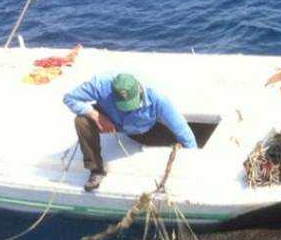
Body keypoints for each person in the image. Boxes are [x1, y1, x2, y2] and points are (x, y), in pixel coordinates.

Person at [63, 72, 198, 192]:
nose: (128, 109)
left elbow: (181, 128)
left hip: (147, 130)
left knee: (177, 139)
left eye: (132, 104)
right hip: (114, 124)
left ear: (140, 89)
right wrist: (95, 115)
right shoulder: (101, 84)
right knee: (81, 121)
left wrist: (194, 158)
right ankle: (96, 170)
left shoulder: (157, 96)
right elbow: (69, 98)